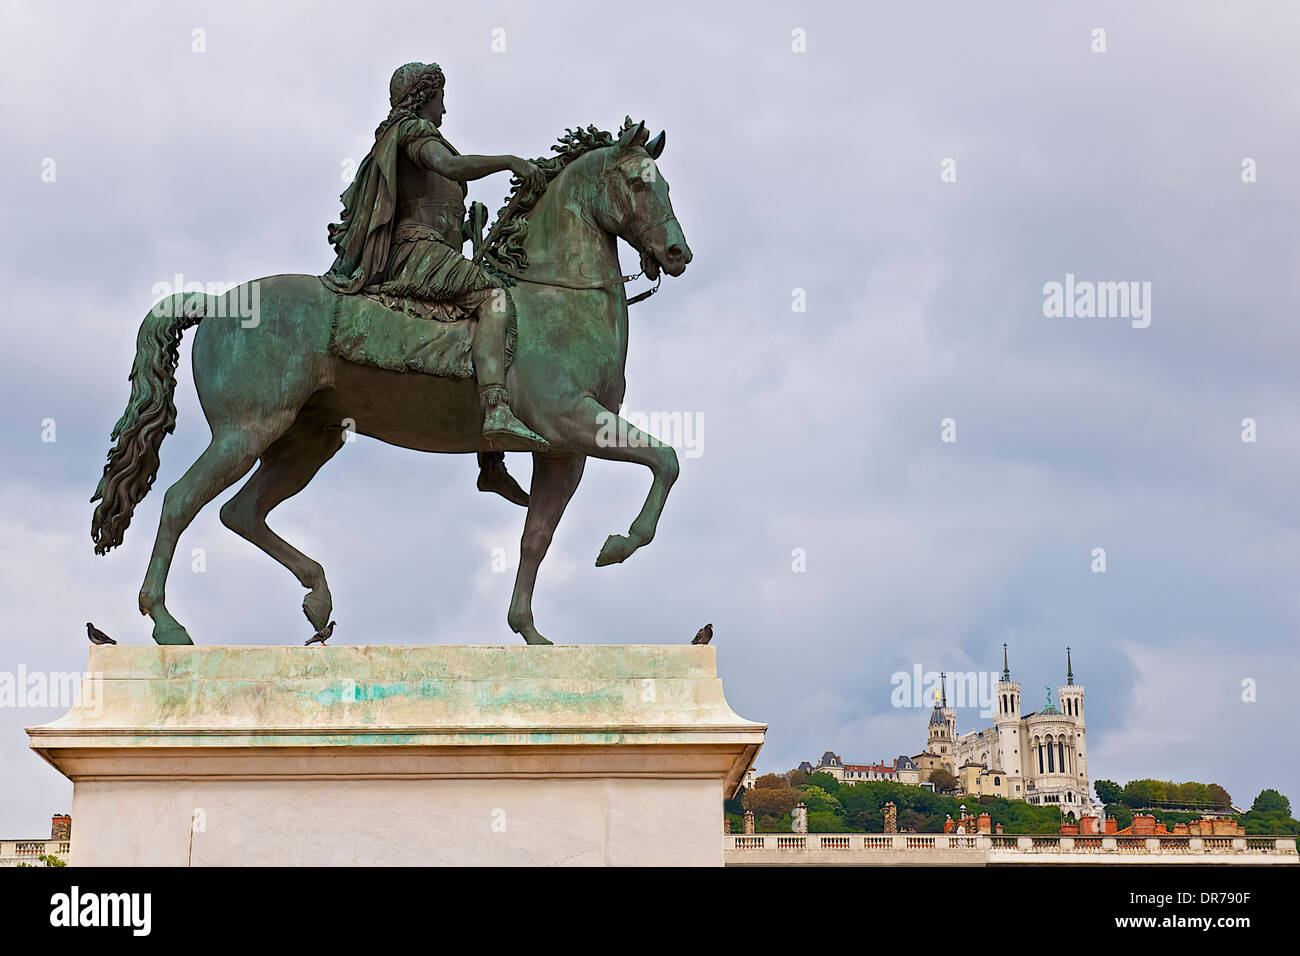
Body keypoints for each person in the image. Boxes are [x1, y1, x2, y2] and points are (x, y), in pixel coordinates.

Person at [323, 61, 546, 505]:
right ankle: (497, 408)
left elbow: (439, 201)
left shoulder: (415, 134)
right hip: (413, 251)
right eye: (440, 96)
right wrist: (508, 161)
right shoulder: (411, 132)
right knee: (494, 297)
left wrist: (470, 228)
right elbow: (451, 166)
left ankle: (491, 462)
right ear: (425, 96)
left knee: (491, 304)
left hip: (435, 247)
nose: (445, 106)